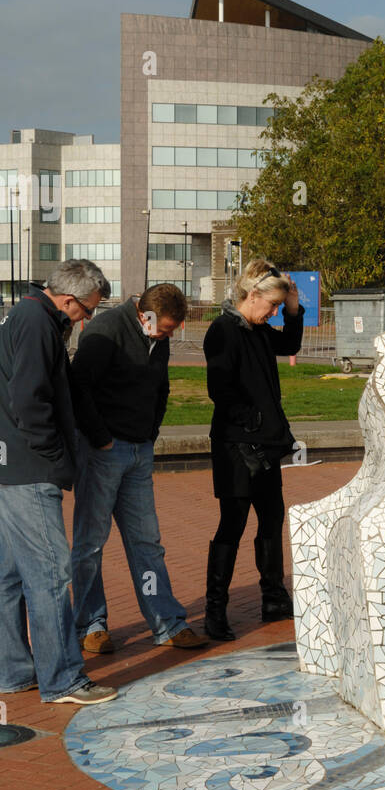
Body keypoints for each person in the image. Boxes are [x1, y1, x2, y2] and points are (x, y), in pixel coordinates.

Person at [0, 260, 118, 705]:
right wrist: (51, 455)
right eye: (86, 310)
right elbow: (29, 398)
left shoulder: (27, 314)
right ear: (68, 299)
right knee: (49, 575)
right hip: (30, 469)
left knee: (9, 576)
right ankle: (63, 679)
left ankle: (13, 671)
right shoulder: (37, 323)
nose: (87, 319)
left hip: (11, 464)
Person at [69, 283, 207, 653]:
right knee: (90, 544)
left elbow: (160, 388)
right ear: (144, 315)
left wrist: (150, 433)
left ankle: (166, 621)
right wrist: (101, 438)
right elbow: (78, 388)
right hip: (102, 452)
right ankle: (90, 624)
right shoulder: (105, 331)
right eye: (164, 329)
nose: (167, 336)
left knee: (147, 543)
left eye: (171, 331)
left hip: (138, 450)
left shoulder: (156, 336)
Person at [202, 259, 303, 640]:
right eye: (272, 305)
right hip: (235, 446)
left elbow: (290, 342)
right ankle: (215, 608)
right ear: (253, 295)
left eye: (280, 307)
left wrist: (293, 307)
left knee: (272, 517)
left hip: (263, 444)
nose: (274, 312)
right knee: (233, 522)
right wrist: (254, 423)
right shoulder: (224, 330)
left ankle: (274, 596)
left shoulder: (258, 329)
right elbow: (220, 390)